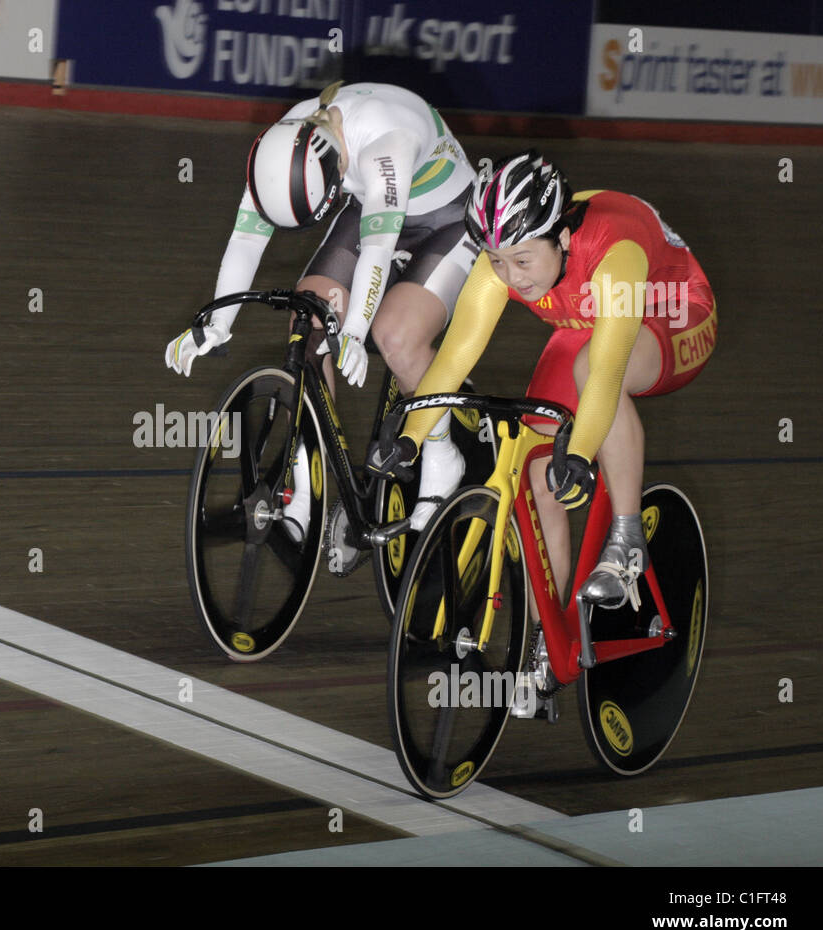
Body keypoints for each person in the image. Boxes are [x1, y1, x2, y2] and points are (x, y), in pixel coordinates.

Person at [380, 150, 717, 612]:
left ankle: (627, 538)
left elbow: (606, 369)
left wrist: (579, 453)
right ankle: (544, 647)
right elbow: (455, 357)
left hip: (674, 314)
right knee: (539, 474)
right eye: (497, 262)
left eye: (522, 261)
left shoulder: (615, 252)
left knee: (590, 378)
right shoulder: (505, 251)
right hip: (586, 323)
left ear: (561, 237)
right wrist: (412, 437)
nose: (511, 278)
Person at [165, 80, 480, 543]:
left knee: (395, 334)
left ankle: (442, 450)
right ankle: (307, 482)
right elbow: (247, 238)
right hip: (371, 204)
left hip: (447, 220)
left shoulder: (384, 145)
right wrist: (217, 325)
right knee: (307, 320)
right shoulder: (287, 143)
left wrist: (354, 330)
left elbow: (377, 250)